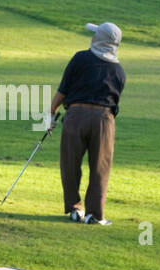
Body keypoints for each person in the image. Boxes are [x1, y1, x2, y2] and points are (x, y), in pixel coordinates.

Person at [50, 21, 125, 227]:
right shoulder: (119, 71)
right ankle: (94, 214)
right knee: (100, 167)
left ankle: (75, 208)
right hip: (103, 120)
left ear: (99, 39)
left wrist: (50, 114)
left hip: (75, 116)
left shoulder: (80, 58)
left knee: (70, 164)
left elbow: (63, 90)